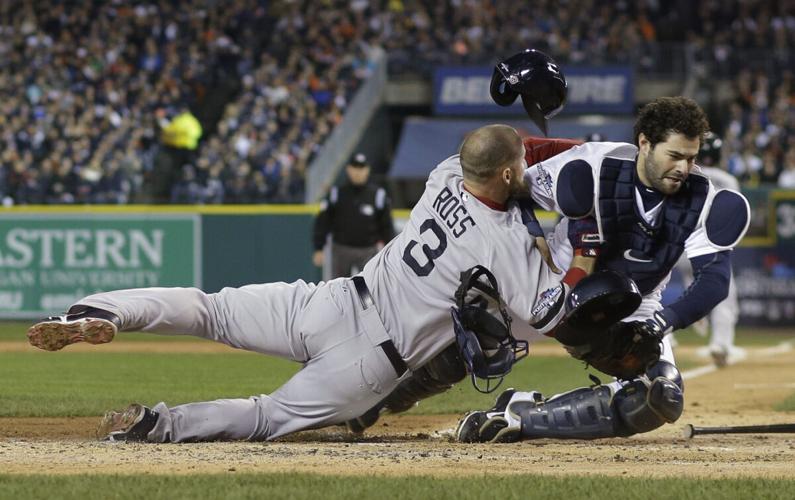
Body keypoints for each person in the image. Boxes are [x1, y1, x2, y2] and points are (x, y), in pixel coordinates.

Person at [26, 124, 601, 443]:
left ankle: (99, 309)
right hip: (371, 361)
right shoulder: (505, 245)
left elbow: (508, 149)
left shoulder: (446, 171)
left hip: (332, 301)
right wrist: (583, 243)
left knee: (209, 309)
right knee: (268, 416)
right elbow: (552, 312)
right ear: (510, 172)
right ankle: (154, 426)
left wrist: (563, 153)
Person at [456, 95, 750, 443]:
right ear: (645, 143)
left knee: (661, 399)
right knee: (464, 332)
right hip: (558, 282)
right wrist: (533, 230)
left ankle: (519, 417)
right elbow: (511, 186)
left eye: (691, 158)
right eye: (674, 155)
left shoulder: (704, 200)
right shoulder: (593, 165)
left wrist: (662, 322)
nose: (684, 169)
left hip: (638, 302)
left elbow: (714, 280)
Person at [674, 132, 744, 367]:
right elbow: (733, 213)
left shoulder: (686, 174)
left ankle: (685, 324)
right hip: (711, 245)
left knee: (687, 286)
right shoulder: (728, 180)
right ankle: (720, 344)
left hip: (684, 245)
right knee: (724, 295)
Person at [312, 153, 396, 278]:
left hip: (368, 251)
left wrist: (391, 252)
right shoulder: (336, 194)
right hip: (341, 250)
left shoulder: (378, 195)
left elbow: (386, 226)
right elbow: (323, 222)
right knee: (338, 286)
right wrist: (318, 248)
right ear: (348, 169)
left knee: (369, 285)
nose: (358, 172)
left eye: (361, 168)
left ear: (367, 170)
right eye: (355, 167)